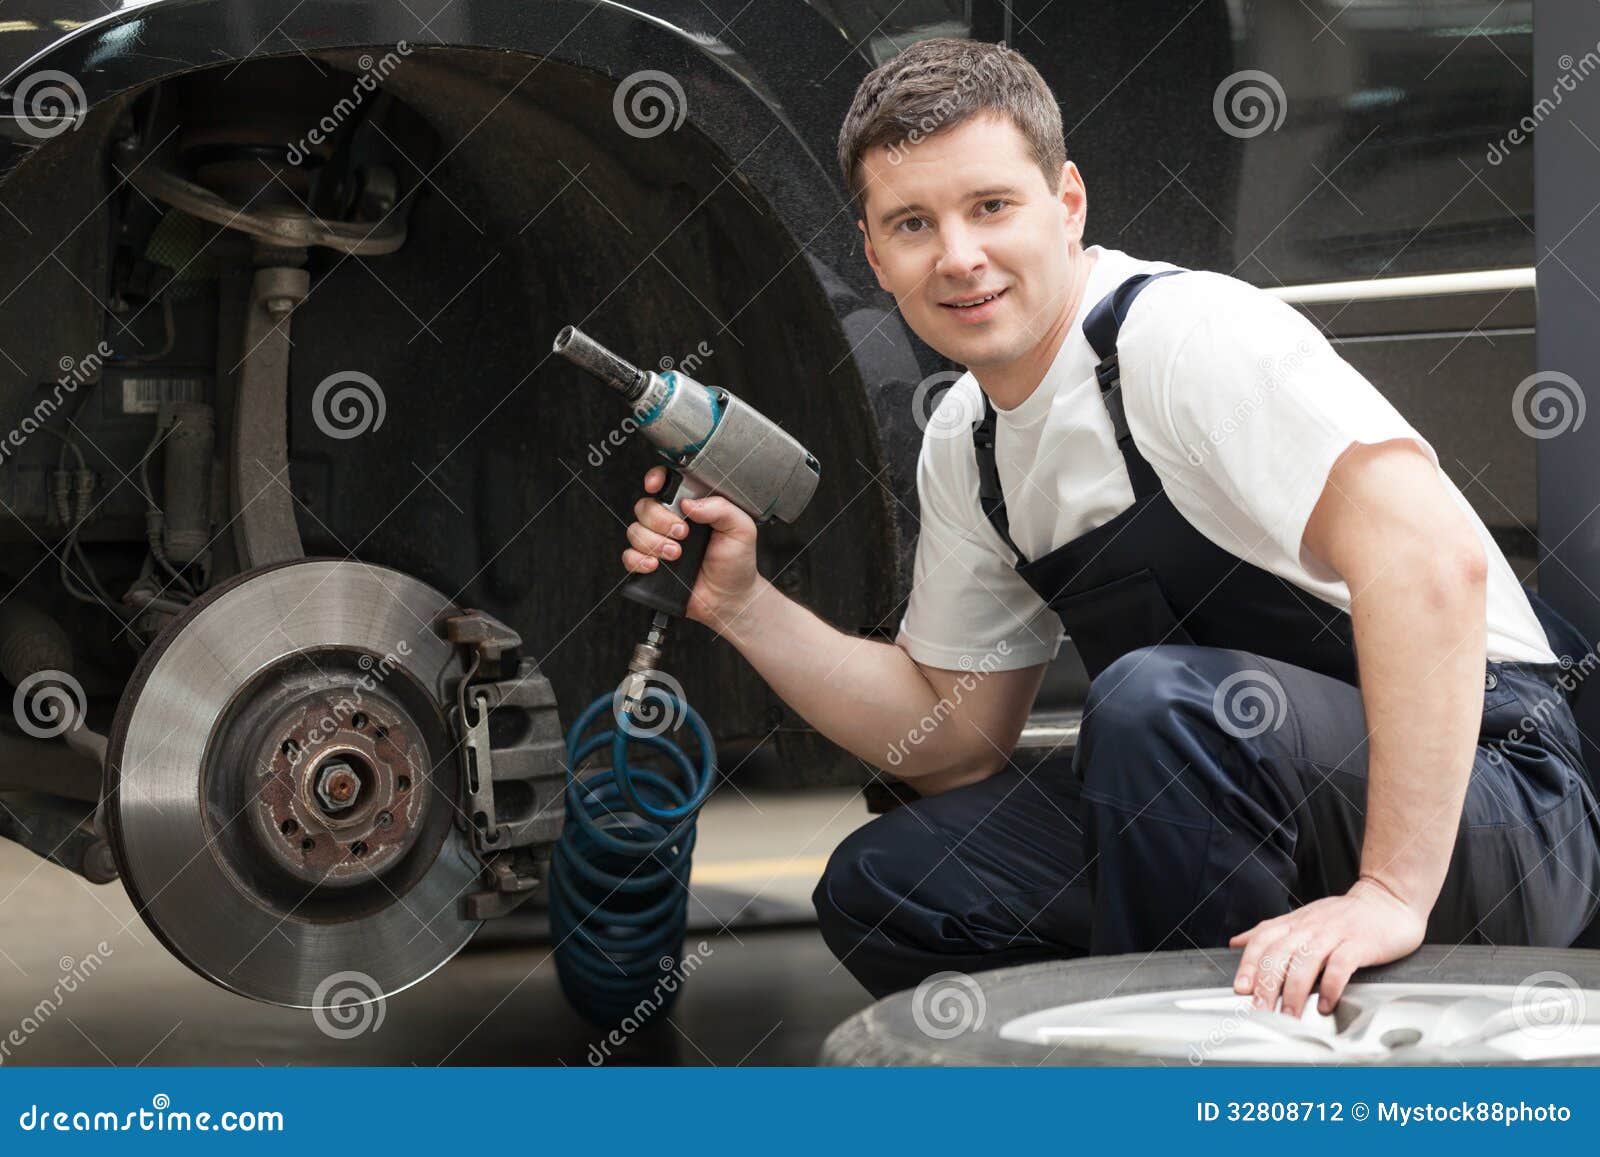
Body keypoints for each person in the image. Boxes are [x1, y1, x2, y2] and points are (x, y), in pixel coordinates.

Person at [618, 37, 1600, 1018]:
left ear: (1068, 204)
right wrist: (742, 604)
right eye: (913, 223)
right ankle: (1177, 1037)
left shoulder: (1186, 339)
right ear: (875, 255)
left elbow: (1430, 564)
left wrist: (1388, 889)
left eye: (990, 206)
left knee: (1155, 707)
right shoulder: (967, 439)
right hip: (1243, 808)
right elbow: (953, 736)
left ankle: (1185, 1085)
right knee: (895, 881)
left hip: (1493, 803)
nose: (958, 256)